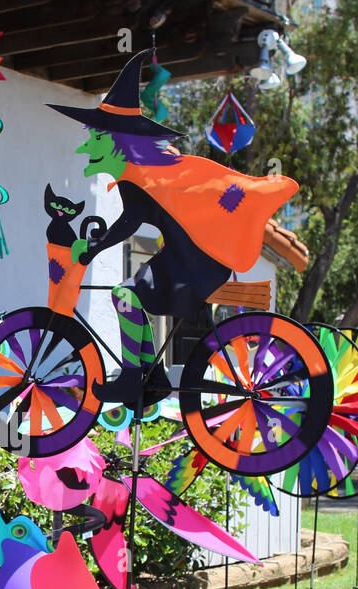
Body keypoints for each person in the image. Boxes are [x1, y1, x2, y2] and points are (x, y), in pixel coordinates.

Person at [47, 50, 298, 406]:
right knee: (128, 295)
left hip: (194, 263)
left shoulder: (141, 178)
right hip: (189, 259)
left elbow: (129, 222)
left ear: (117, 142)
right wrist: (96, 245)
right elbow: (131, 221)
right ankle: (153, 376)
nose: (87, 146)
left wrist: (92, 247)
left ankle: (137, 376)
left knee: (124, 295)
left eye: (95, 137)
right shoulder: (141, 176)